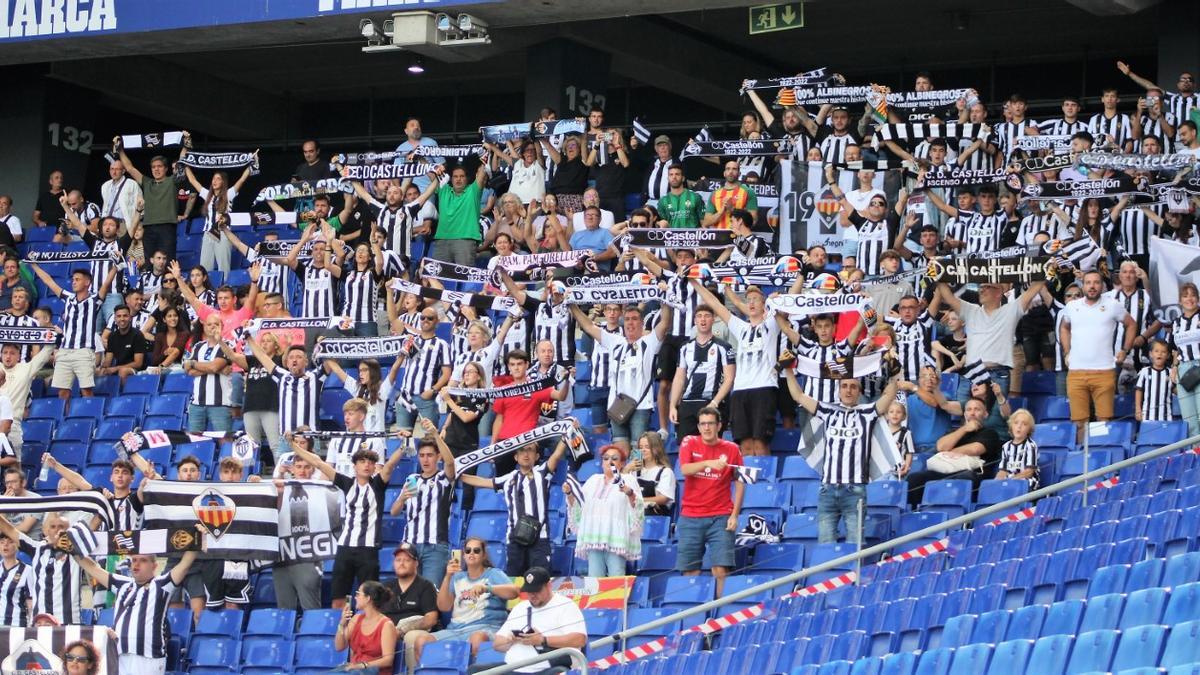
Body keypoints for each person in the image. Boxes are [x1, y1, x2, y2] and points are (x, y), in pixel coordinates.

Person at [783, 364, 900, 545]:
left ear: (859, 392)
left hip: (854, 490)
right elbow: (799, 396)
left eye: (853, 387)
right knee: (825, 545)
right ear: (838, 391)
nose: (848, 390)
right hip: (827, 490)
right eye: (844, 386)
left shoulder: (867, 412)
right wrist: (789, 371)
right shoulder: (828, 411)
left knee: (855, 547)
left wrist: (893, 377)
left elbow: (888, 397)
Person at [290, 441, 404, 611]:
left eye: (371, 463)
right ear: (355, 466)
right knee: (338, 599)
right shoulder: (347, 483)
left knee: (370, 601)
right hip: (345, 548)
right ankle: (341, 633)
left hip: (368, 550)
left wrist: (403, 446)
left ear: (374, 468)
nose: (367, 465)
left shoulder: (377, 485)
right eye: (363, 462)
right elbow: (319, 463)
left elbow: (389, 466)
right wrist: (294, 446)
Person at [72, 532, 201, 674]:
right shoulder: (122, 584)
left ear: (154, 566)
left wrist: (197, 537)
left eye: (143, 560)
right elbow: (93, 568)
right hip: (120, 655)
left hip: (149, 658)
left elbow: (184, 565)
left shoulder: (161, 585)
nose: (136, 565)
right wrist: (72, 547)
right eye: (134, 560)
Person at [690, 280, 785, 456]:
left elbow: (791, 298)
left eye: (756, 299)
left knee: (760, 443)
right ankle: (748, 482)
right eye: (748, 299)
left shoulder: (772, 324)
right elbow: (713, 303)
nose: (751, 302)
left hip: (764, 388)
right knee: (745, 445)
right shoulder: (740, 326)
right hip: (740, 391)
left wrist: (780, 298)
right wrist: (694, 282)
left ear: (764, 304)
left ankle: (763, 482)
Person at [459, 439, 570, 576]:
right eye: (522, 450)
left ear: (537, 456)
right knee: (514, 580)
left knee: (541, 579)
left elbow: (556, 455)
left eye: (530, 450)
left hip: (539, 539)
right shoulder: (508, 479)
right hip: (514, 539)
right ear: (516, 457)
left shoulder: (542, 473)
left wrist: (567, 434)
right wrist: (458, 473)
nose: (526, 454)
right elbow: (482, 482)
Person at [406, 538, 517, 671]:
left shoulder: (494, 574)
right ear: (463, 555)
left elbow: (514, 591)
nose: (472, 553)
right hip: (455, 630)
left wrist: (488, 588)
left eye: (476, 551)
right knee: (421, 642)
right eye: (468, 550)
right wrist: (447, 576)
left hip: (485, 628)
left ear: (484, 555)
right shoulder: (457, 577)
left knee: (477, 639)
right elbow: (443, 606)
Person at [571, 303, 670, 452]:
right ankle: (623, 475)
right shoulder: (616, 342)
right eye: (628, 319)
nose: (630, 323)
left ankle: (637, 475)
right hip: (617, 405)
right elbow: (589, 327)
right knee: (620, 451)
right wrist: (572, 305)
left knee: (639, 450)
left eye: (635, 319)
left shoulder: (649, 341)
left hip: (641, 406)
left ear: (642, 323)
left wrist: (666, 301)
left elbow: (665, 323)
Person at [934, 278, 1045, 399]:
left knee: (994, 417)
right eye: (980, 287)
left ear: (998, 292)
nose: (981, 290)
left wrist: (1047, 269)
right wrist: (938, 274)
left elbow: (1034, 288)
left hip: (997, 374)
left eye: (986, 287)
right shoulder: (970, 310)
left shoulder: (1011, 310)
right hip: (971, 374)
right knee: (966, 415)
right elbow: (948, 297)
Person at [1060, 270, 1138, 442]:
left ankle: (1102, 460)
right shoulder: (1072, 306)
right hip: (1076, 372)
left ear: (1102, 285)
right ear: (1083, 285)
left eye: (1096, 282)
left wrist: (1124, 350)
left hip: (1104, 371)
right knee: (1079, 422)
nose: (1092, 286)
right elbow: (1064, 327)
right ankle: (1083, 463)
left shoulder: (1112, 304)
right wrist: (1067, 352)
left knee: (1104, 421)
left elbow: (1131, 325)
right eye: (1088, 283)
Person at [28, 263, 118, 404]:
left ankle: (89, 418)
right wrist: (33, 265)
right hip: (64, 351)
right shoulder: (68, 297)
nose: (73, 282)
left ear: (87, 282)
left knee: (86, 390)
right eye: (73, 279)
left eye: (77, 279)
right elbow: (49, 281)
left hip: (84, 351)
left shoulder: (94, 300)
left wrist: (115, 268)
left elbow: (106, 284)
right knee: (63, 391)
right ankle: (65, 422)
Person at [676, 407, 743, 597]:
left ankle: (721, 612)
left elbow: (740, 482)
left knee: (721, 570)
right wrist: (707, 463)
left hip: (720, 516)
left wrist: (735, 515)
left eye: (710, 423)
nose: (706, 428)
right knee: (690, 571)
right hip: (690, 516)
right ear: (698, 426)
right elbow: (685, 469)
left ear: (719, 426)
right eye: (703, 424)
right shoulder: (689, 442)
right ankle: (692, 613)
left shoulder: (732, 449)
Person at [470, 567, 587, 675]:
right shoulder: (520, 608)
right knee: (474, 671)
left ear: (549, 586)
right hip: (512, 668)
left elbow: (579, 639)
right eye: (529, 591)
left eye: (536, 590)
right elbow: (497, 645)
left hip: (546, 669)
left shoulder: (565, 605)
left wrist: (543, 640)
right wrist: (510, 639)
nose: (532, 595)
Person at [391, 418, 458, 588]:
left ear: (438, 457)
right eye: (422, 455)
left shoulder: (443, 478)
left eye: (429, 455)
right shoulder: (412, 479)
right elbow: (394, 512)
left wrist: (435, 434)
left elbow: (450, 463)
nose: (425, 460)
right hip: (409, 545)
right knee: (407, 590)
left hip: (434, 546)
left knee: (429, 593)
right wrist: (401, 499)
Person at [904, 397, 1004, 508]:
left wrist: (950, 451)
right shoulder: (954, 432)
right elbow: (941, 446)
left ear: (985, 414)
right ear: (964, 414)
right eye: (969, 409)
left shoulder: (990, 433)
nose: (972, 413)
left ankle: (956, 514)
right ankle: (916, 512)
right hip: (946, 471)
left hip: (973, 474)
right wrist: (964, 429)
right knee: (915, 479)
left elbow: (975, 449)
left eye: (977, 409)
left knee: (963, 478)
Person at [490, 350, 571, 478]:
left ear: (527, 365)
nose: (516, 367)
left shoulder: (536, 387)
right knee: (503, 483)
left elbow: (561, 396)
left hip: (528, 441)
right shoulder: (504, 391)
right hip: (505, 441)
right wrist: (493, 445)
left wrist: (566, 381)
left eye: (519, 364)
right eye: (512, 364)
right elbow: (499, 419)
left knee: (531, 483)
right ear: (509, 367)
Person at [565, 444, 644, 576]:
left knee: (616, 576)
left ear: (622, 463)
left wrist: (630, 493)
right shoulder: (592, 480)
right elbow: (579, 506)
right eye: (606, 458)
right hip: (594, 537)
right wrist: (569, 494)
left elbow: (638, 507)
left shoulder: (628, 479)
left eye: (614, 458)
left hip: (616, 536)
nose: (610, 462)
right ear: (601, 462)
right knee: (594, 579)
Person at [0, 512, 86, 624]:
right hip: (40, 622)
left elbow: (94, 526)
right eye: (53, 527)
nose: (56, 530)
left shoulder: (77, 551)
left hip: (69, 621)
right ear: (47, 531)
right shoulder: (37, 548)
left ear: (69, 531)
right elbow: (10, 530)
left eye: (61, 527)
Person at [668, 304, 734, 439]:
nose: (703, 320)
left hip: (710, 402)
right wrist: (673, 405)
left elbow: (729, 378)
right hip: (687, 402)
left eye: (707, 316)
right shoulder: (685, 348)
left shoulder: (724, 347)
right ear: (694, 321)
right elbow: (679, 378)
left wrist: (715, 403)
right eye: (699, 316)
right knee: (686, 447)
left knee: (711, 447)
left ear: (713, 319)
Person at [394, 307, 452, 433]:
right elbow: (394, 319)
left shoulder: (441, 345)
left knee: (431, 439)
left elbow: (447, 374)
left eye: (430, 318)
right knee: (403, 440)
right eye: (422, 317)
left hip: (425, 398)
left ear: (437, 322)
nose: (425, 320)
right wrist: (389, 291)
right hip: (405, 395)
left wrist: (432, 390)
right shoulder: (412, 340)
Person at [335, 580, 398, 675]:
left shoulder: (386, 625)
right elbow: (339, 647)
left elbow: (388, 660)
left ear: (368, 598)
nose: (356, 597)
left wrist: (363, 665)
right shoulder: (356, 619)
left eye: (358, 594)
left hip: (374, 671)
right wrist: (342, 624)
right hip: (354, 668)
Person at [326, 358, 402, 434]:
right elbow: (338, 370)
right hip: (360, 441)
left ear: (373, 372)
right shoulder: (358, 389)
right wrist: (323, 354)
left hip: (376, 442)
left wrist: (403, 354)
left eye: (364, 370)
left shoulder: (382, 390)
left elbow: (394, 370)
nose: (361, 374)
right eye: (360, 371)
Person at [432, 164, 487, 267]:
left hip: (465, 241)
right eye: (455, 176)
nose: (458, 179)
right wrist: (420, 158)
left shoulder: (473, 191)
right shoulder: (444, 190)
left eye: (462, 176)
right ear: (451, 179)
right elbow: (431, 172)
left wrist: (485, 153)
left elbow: (482, 172)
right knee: (436, 276)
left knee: (464, 277)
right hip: (442, 240)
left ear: (467, 179)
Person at [380, 543, 439, 637]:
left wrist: (403, 629)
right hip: (387, 630)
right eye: (398, 560)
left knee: (412, 637)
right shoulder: (386, 586)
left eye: (407, 560)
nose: (401, 563)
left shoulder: (426, 586)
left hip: (412, 631)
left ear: (416, 563)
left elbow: (431, 619)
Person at [1170, 282, 1200, 435]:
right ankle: (1196, 452)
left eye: (1193, 295)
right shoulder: (1176, 323)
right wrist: (1174, 367)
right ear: (1180, 300)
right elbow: (1175, 349)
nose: (1190, 299)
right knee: (1189, 417)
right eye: (1185, 295)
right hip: (1183, 368)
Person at [624, 432, 676, 517]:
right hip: (633, 514)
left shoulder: (665, 472)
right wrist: (626, 470)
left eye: (647, 447)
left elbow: (664, 498)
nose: (643, 450)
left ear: (656, 449)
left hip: (654, 516)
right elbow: (621, 489)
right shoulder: (633, 470)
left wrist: (639, 501)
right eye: (640, 447)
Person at [700, 160, 758, 230]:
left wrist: (732, 209)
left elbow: (753, 221)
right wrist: (722, 211)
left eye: (734, 169)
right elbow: (706, 223)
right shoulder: (715, 194)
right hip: (719, 238)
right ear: (724, 173)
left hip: (739, 237)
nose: (730, 172)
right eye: (728, 169)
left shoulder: (748, 192)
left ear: (739, 173)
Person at [996, 409, 1040, 490]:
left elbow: (1029, 472)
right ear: (1011, 426)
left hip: (1026, 481)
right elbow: (1002, 471)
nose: (1019, 426)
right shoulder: (1006, 446)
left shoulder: (1030, 445)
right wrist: (996, 482)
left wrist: (1010, 480)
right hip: (1010, 481)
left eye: (1024, 424)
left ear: (1029, 429)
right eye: (1016, 423)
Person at [1135, 339, 1176, 422]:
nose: (1159, 354)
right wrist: (1138, 409)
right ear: (1150, 354)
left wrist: (1175, 381)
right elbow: (1139, 390)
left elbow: (1175, 390)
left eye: (1163, 352)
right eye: (1156, 351)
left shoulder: (1170, 372)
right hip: (1147, 416)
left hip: (1166, 416)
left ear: (1168, 355)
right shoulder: (1145, 371)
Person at [0, 532, 30, 627]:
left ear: (17, 545)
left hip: (16, 624)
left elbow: (30, 602)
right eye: (2, 542)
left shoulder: (27, 571)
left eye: (10, 541)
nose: (5, 545)